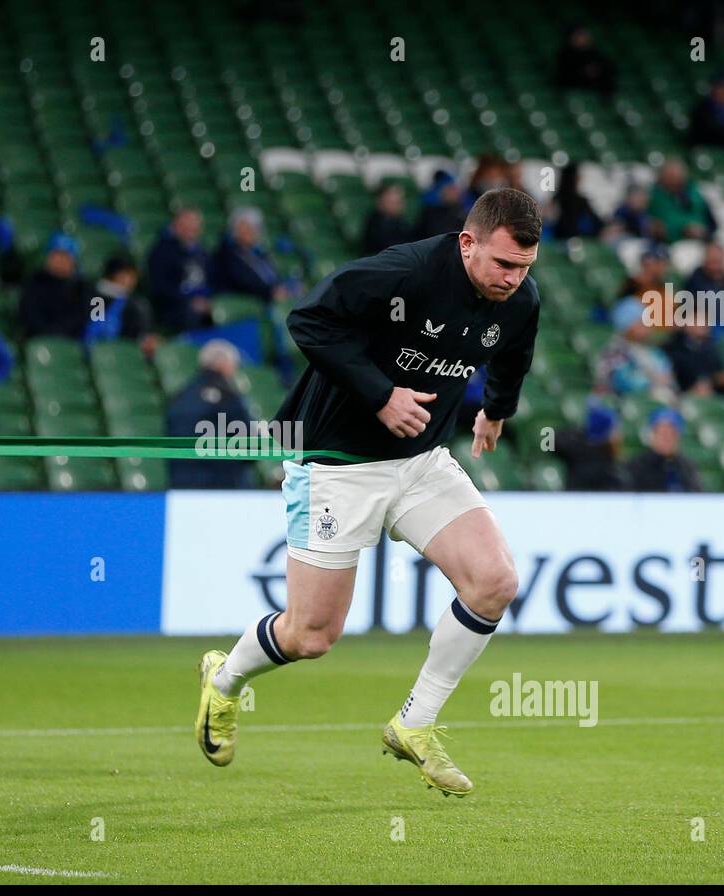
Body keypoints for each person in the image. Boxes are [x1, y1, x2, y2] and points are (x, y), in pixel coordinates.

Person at [194, 188, 542, 797]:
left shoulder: (520, 299)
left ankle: (415, 724)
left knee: (495, 582)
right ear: (467, 244)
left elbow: (512, 353)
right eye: (504, 265)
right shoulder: (403, 273)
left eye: (525, 268)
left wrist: (496, 409)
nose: (514, 280)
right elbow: (308, 320)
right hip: (337, 461)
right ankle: (224, 681)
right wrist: (381, 394)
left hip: (420, 462)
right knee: (312, 636)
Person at [165, 340, 256, 489]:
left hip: (180, 489)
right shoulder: (227, 397)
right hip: (222, 489)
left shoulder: (178, 397)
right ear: (225, 365)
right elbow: (251, 445)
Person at [146, 207, 212, 331]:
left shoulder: (202, 252)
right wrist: (189, 301)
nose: (192, 230)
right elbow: (159, 287)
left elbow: (213, 279)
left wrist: (209, 301)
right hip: (174, 307)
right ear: (176, 226)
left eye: (195, 227)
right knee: (192, 314)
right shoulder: (161, 251)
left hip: (202, 302)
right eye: (187, 226)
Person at [596, 298, 677, 398]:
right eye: (641, 322)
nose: (647, 326)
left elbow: (668, 376)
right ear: (627, 326)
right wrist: (653, 382)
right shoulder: (614, 351)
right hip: (625, 404)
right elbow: (621, 382)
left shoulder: (653, 351)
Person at [17, 232, 89, 339]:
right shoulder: (35, 284)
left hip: (77, 343)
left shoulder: (83, 286)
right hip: (45, 342)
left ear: (74, 261)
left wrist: (99, 323)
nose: (60, 261)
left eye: (66, 256)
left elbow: (97, 310)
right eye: (57, 255)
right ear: (48, 257)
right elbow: (31, 320)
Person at [211, 206, 286, 303]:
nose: (253, 232)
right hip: (250, 304)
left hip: (271, 299)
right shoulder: (227, 256)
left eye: (256, 227)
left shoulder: (260, 254)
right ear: (236, 230)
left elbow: (275, 277)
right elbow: (244, 283)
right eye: (248, 227)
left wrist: (284, 288)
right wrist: (271, 292)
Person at [553, 402, 629, 491]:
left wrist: (581, 431)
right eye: (614, 430)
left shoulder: (577, 449)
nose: (618, 436)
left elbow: (547, 437)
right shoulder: (606, 465)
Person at [85, 253, 154, 348]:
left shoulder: (135, 301)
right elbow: (96, 330)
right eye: (128, 274)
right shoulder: (98, 299)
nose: (132, 280)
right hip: (105, 348)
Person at [626, 408, 701, 492]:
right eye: (662, 432)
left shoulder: (687, 467)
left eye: (672, 433)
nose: (667, 438)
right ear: (652, 435)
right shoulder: (636, 466)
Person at [648, 159, 715, 242]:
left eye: (677, 176)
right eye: (671, 176)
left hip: (700, 240)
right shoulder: (653, 196)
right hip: (668, 243)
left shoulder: (695, 192)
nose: (674, 180)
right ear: (662, 176)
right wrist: (683, 230)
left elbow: (710, 222)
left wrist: (703, 231)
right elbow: (656, 225)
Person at [688, 75, 724, 151]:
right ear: (713, 90)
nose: (723, 93)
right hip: (707, 148)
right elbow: (707, 133)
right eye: (720, 89)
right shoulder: (702, 109)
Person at [554, 25, 615, 94]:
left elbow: (608, 65)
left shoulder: (593, 51)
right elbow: (564, 74)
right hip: (573, 86)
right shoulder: (564, 53)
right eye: (580, 35)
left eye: (584, 35)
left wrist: (596, 70)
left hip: (593, 85)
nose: (584, 38)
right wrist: (584, 72)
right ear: (572, 37)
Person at [550, 162, 604, 240]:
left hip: (569, 240)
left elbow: (597, 223)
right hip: (567, 241)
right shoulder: (578, 201)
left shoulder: (556, 199)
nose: (580, 178)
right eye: (577, 176)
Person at [361, 181, 413, 255]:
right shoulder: (374, 221)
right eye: (397, 202)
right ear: (381, 200)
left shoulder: (400, 221)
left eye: (401, 201)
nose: (401, 205)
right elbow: (382, 246)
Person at [416, 169, 466, 238]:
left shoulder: (457, 209)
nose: (457, 191)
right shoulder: (432, 214)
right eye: (451, 188)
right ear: (442, 191)